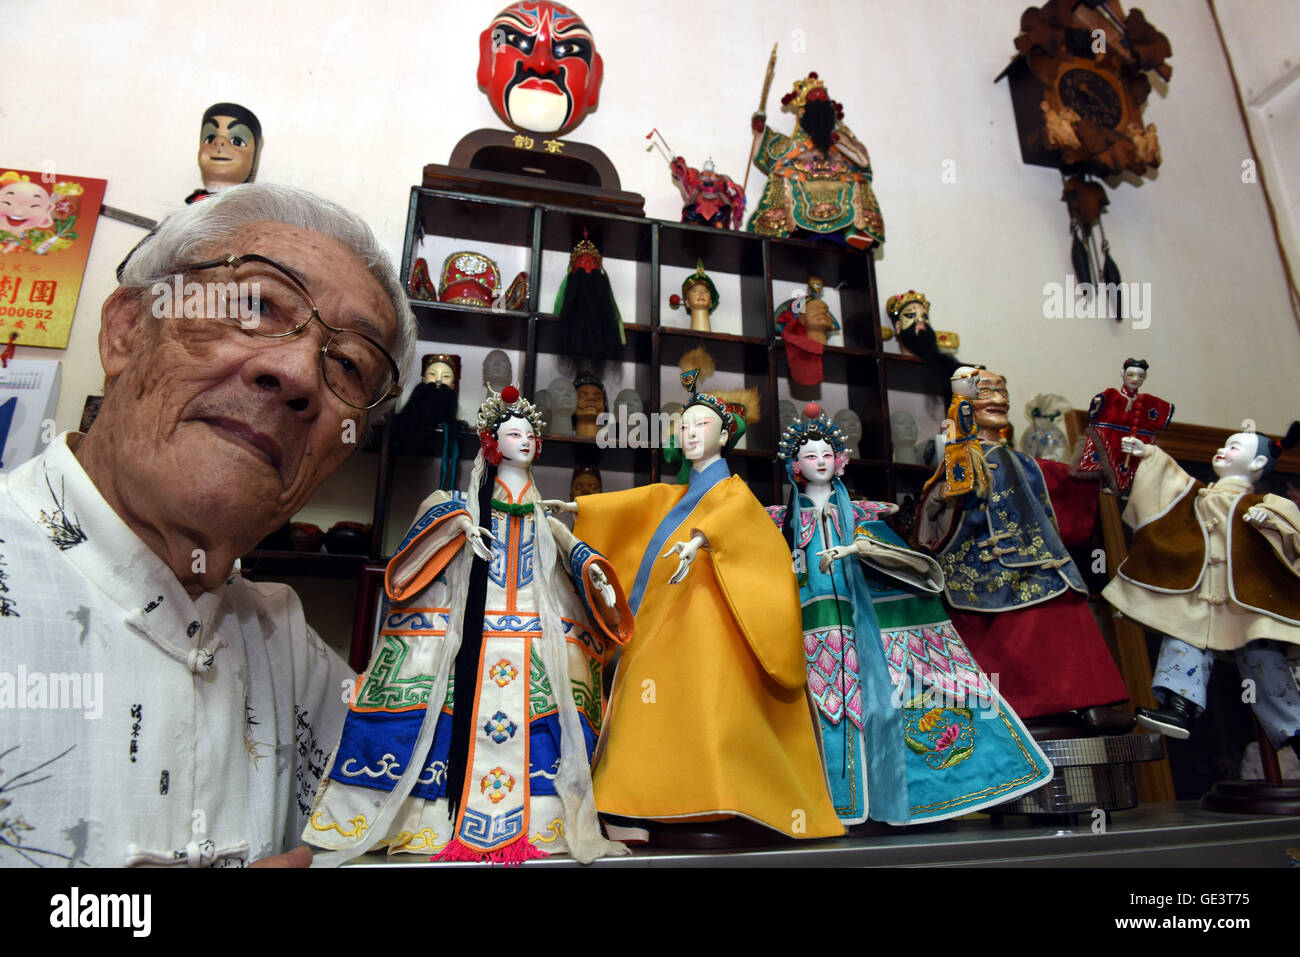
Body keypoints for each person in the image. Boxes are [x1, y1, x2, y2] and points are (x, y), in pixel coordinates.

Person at [0, 182, 415, 867]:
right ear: (128, 328)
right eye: (252, 306)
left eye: (348, 364)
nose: (296, 372)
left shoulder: (283, 642)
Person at [305, 387, 633, 864]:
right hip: (467, 641)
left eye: (528, 433)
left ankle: (543, 822)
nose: (523, 440)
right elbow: (405, 570)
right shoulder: (460, 505)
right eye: (512, 433)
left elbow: (579, 564)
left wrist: (596, 576)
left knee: (553, 721)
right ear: (493, 443)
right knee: (438, 715)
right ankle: (434, 823)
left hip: (535, 639)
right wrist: (458, 524)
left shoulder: (548, 518)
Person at [562, 382, 842, 840]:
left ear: (725, 436)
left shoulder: (733, 492)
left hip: (715, 616)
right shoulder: (676, 494)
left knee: (711, 703)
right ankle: (635, 801)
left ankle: (717, 799)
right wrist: (578, 507)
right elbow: (638, 504)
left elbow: (746, 528)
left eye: (702, 425)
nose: (690, 433)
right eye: (684, 426)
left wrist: (702, 539)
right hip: (666, 614)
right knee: (646, 696)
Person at [768, 404, 1051, 824]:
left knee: (888, 700)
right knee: (824, 707)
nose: (821, 462)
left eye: (827, 454)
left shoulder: (865, 515)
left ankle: (907, 796)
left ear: (840, 461)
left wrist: (855, 548)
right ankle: (829, 805)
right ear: (796, 466)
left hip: (871, 630)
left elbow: (906, 563)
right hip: (814, 629)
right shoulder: (783, 524)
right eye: (811, 456)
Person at [913, 369, 1133, 731]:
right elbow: (930, 521)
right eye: (986, 391)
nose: (998, 399)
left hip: (1036, 563)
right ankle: (1011, 708)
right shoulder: (955, 462)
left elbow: (1074, 484)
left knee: (1066, 603)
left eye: (1002, 391)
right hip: (981, 571)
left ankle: (1092, 701)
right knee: (996, 640)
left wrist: (1101, 438)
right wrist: (944, 495)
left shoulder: (1029, 465)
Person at [1105, 424, 1300, 752]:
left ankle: (1294, 730)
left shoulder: (1266, 502)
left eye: (1236, 446)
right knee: (1183, 638)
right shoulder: (1196, 495)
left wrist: (1268, 521)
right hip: (1199, 599)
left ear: (1256, 465)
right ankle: (1179, 708)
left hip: (1247, 603)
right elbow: (1170, 481)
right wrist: (1148, 455)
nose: (1224, 450)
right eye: (1225, 444)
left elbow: (1291, 527)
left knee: (1263, 661)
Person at [748, 72, 884, 249]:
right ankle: (791, 228)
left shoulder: (841, 137)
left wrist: (840, 141)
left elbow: (863, 162)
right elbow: (767, 151)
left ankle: (857, 230)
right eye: (815, 104)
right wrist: (760, 132)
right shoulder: (793, 145)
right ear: (803, 110)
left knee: (859, 179)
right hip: (804, 187)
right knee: (781, 174)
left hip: (839, 184)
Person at [1072, 358, 1174, 494]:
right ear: (1122, 374)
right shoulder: (1110, 396)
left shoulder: (1149, 402)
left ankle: (1129, 487)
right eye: (1131, 375)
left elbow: (1162, 415)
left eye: (1141, 376)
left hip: (1134, 442)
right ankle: (1104, 480)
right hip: (1109, 437)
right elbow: (1095, 413)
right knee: (1101, 443)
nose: (1135, 379)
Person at [186, 103, 262, 205]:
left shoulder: (252, 209)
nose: (219, 142)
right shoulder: (194, 202)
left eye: (237, 141)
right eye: (210, 138)